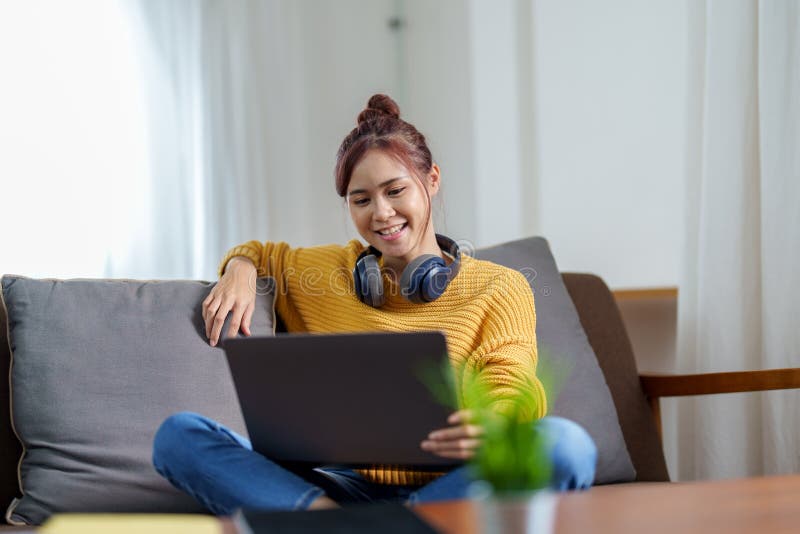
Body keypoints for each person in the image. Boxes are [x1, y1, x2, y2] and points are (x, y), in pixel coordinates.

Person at [152, 94, 597, 515]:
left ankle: (380, 524)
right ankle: (335, 521)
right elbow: (263, 252)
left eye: (395, 190)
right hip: (339, 486)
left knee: (566, 444)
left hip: (454, 485)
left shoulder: (500, 287)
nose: (381, 214)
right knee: (178, 436)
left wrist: (493, 426)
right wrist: (240, 269)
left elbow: (513, 385)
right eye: (361, 200)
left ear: (432, 180)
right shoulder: (326, 272)